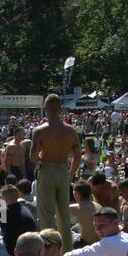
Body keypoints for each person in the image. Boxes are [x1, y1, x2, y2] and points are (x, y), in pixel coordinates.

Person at [31, 93, 81, 233]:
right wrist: (71, 174)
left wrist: (41, 158)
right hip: (64, 169)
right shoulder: (71, 130)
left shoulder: (39, 131)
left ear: (45, 109)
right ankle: (66, 245)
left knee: (46, 215)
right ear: (60, 109)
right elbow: (77, 157)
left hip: (47, 169)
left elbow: (33, 157)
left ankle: (49, 243)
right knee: (64, 215)